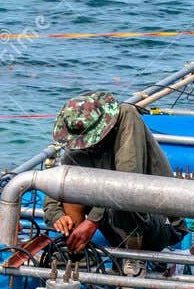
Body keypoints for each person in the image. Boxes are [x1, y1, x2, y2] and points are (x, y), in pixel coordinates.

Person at [44, 92, 185, 255]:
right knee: (70, 188)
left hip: (159, 223)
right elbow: (56, 191)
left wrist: (92, 221)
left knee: (124, 199)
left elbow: (126, 180)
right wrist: (58, 216)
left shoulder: (127, 116)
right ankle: (75, 253)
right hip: (115, 229)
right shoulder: (77, 152)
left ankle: (134, 260)